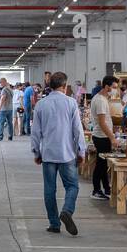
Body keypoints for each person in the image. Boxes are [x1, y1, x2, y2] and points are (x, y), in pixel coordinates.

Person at [31, 71, 85, 236]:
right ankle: (67, 211)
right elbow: (77, 129)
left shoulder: (41, 104)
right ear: (64, 85)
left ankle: (54, 223)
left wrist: (36, 152)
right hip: (67, 152)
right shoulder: (70, 103)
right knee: (72, 186)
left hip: (48, 153)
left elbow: (36, 132)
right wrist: (81, 150)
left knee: (49, 189)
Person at [89, 75, 115, 201]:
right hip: (101, 137)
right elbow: (102, 123)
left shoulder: (103, 99)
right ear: (106, 86)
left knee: (104, 164)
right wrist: (112, 138)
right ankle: (96, 190)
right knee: (100, 164)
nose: (115, 90)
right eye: (114, 87)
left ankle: (106, 188)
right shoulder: (99, 100)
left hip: (104, 136)